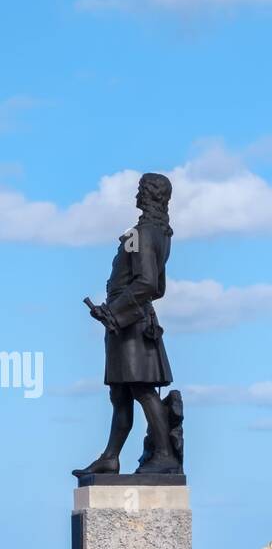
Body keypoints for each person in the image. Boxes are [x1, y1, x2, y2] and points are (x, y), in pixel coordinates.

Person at [73, 172, 180, 477]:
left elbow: (148, 283)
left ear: (148, 196)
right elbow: (157, 287)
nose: (136, 196)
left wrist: (113, 311)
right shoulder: (158, 233)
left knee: (142, 390)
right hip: (126, 323)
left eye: (140, 191)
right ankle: (111, 457)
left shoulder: (143, 233)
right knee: (120, 393)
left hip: (131, 324)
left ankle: (163, 455)